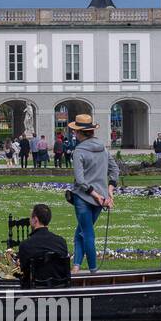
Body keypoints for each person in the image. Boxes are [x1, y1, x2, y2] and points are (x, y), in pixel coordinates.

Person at [66, 114, 120, 275]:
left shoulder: (79, 151)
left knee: (87, 234)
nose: (74, 134)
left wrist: (94, 194)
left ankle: (93, 270)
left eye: (75, 132)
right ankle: (76, 266)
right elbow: (115, 170)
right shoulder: (103, 149)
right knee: (81, 233)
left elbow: (80, 180)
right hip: (100, 199)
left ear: (81, 133)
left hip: (83, 197)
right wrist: (109, 191)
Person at [17, 203, 71, 289]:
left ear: (35, 219)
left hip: (33, 294)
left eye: (31, 218)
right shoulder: (61, 242)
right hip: (58, 291)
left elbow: (23, 272)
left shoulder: (26, 245)